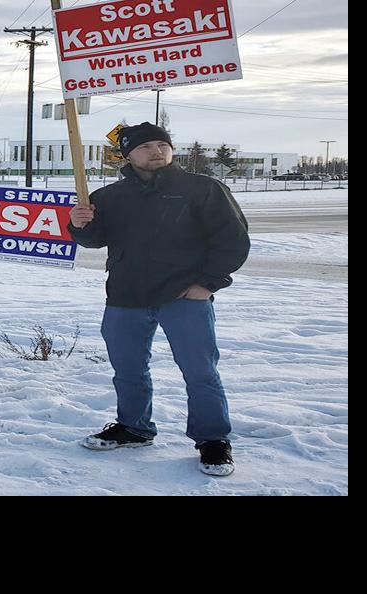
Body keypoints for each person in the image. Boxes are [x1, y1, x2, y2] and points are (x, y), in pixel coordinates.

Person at [67, 122, 250, 476]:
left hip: (184, 295)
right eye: (146, 146)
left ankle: (212, 439)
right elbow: (94, 239)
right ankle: (134, 428)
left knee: (200, 371)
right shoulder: (109, 196)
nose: (156, 151)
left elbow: (233, 240)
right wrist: (80, 224)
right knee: (129, 369)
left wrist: (208, 284)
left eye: (162, 144)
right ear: (128, 154)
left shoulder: (202, 189)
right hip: (125, 295)